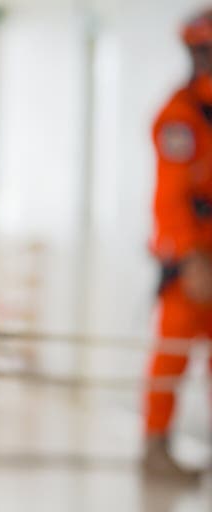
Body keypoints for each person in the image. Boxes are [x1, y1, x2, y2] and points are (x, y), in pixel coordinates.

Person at [146, 9, 212, 480]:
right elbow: (170, 195)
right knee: (171, 357)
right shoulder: (181, 115)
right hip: (192, 263)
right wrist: (192, 258)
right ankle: (155, 450)